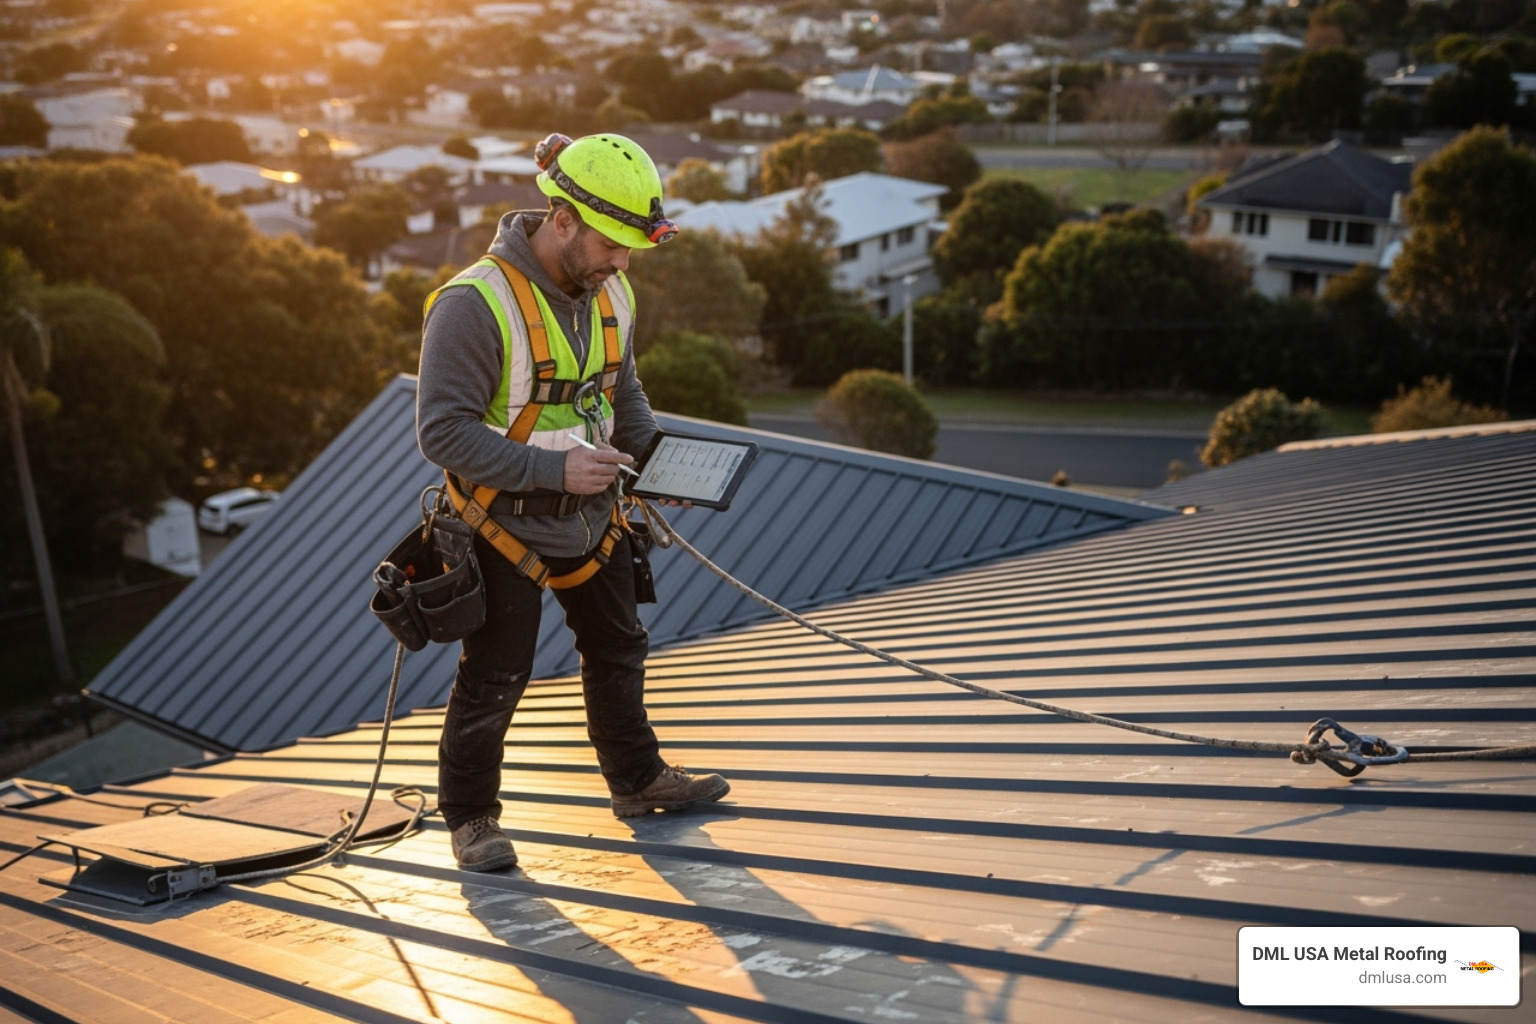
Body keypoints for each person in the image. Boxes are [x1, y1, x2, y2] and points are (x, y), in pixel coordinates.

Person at [415, 132, 729, 873]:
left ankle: (637, 780)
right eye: (612, 245)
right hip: (500, 522)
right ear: (562, 221)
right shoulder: (473, 305)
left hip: (592, 515)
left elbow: (621, 389)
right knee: (496, 674)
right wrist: (555, 472)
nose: (623, 262)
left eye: (630, 249)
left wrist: (653, 458)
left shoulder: (609, 290)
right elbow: (442, 431)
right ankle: (472, 819)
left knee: (619, 646)